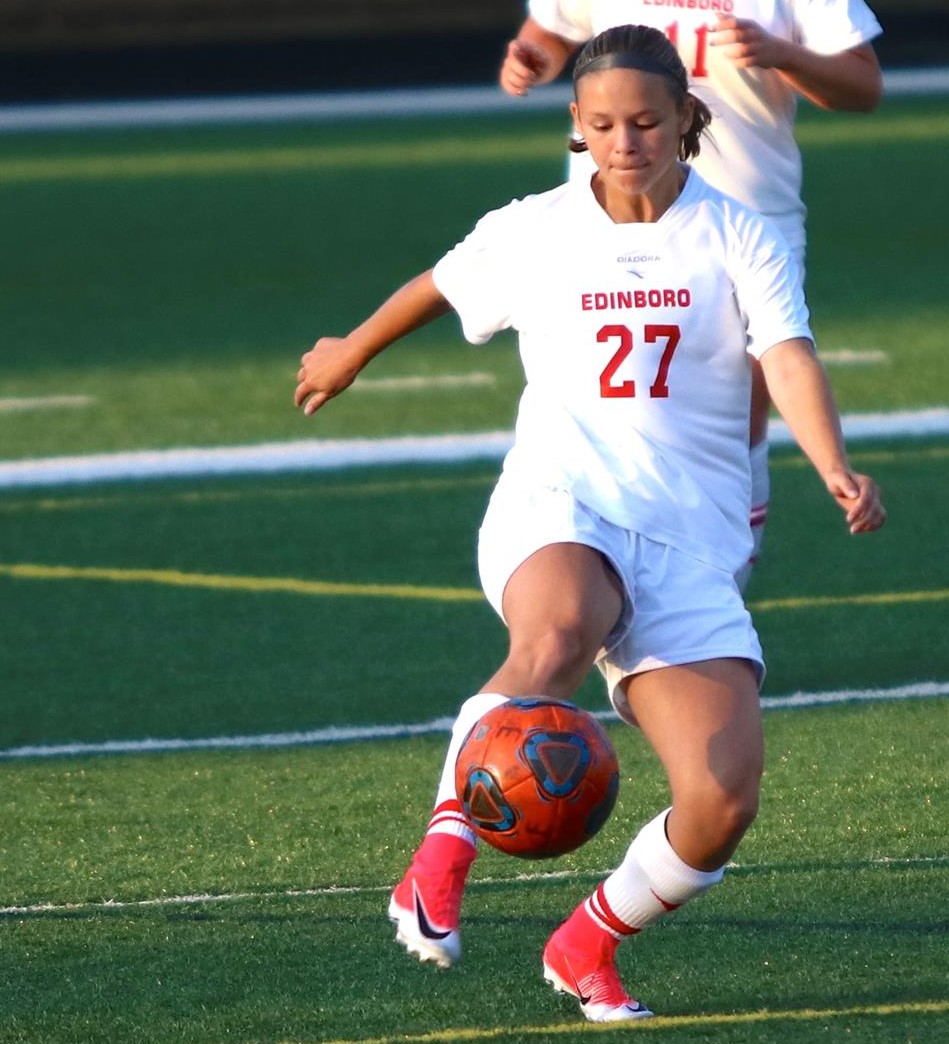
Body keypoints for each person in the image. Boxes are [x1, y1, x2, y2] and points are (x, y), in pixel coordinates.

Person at [295, 25, 885, 1022]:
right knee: (561, 626)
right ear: (576, 126)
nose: (625, 140)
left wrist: (833, 463)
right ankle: (440, 855)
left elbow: (787, 357)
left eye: (646, 121)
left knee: (722, 796)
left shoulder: (739, 234)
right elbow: (440, 286)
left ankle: (586, 944)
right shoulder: (536, 226)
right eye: (603, 122)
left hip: (689, 537)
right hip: (562, 500)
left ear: (687, 121)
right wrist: (351, 349)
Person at [500, 0, 884, 591]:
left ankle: (717, 597)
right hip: (610, 225)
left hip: (746, 221)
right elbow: (551, 33)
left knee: (740, 411)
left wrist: (784, 54)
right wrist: (532, 59)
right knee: (611, 410)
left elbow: (863, 85)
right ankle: (603, 573)